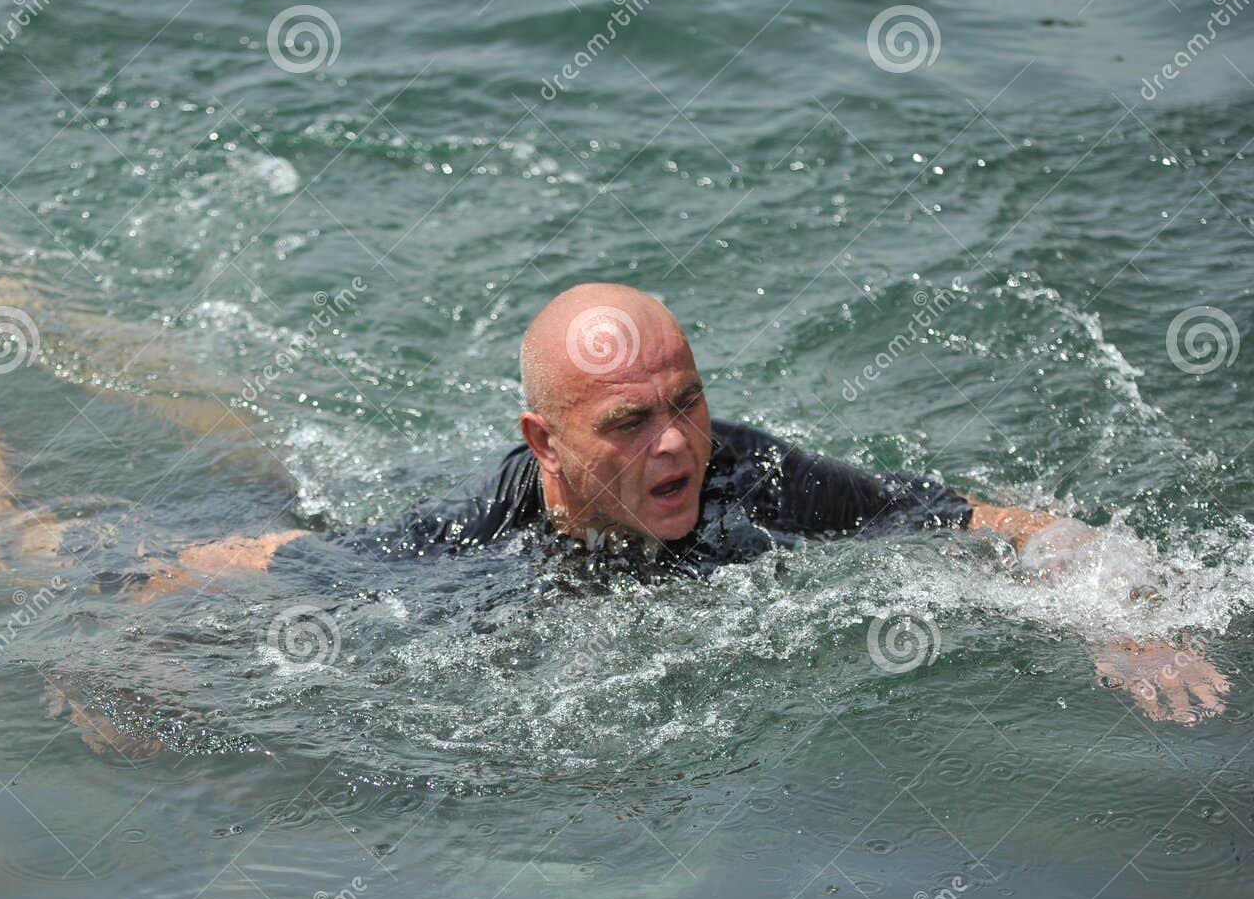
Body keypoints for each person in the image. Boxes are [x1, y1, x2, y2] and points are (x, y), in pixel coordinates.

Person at [150, 281, 1229, 725]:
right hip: (362, 491)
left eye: (689, 401)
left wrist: (1117, 616)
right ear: (546, 443)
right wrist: (129, 634)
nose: (675, 443)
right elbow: (246, 557)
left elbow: (986, 520)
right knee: (252, 463)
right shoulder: (468, 536)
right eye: (629, 421)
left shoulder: (748, 476)